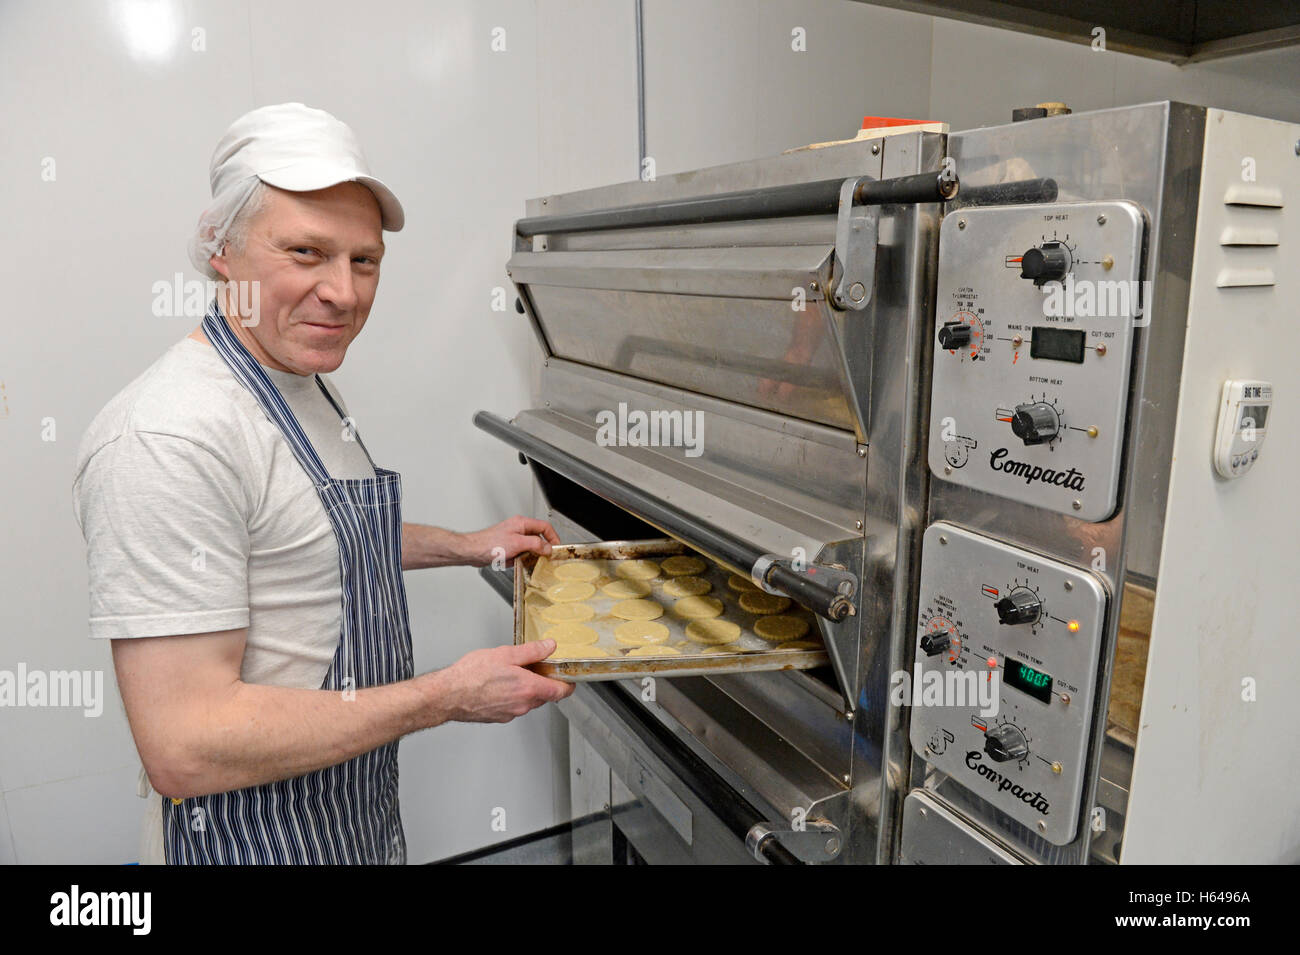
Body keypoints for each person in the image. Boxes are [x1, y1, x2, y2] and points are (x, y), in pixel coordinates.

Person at [72, 103, 572, 865]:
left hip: (348, 824)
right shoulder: (167, 437)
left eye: (364, 260)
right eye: (306, 252)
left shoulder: (296, 374)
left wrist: (469, 545)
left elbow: (309, 535)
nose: (343, 291)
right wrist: (445, 695)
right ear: (221, 250)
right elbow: (184, 745)